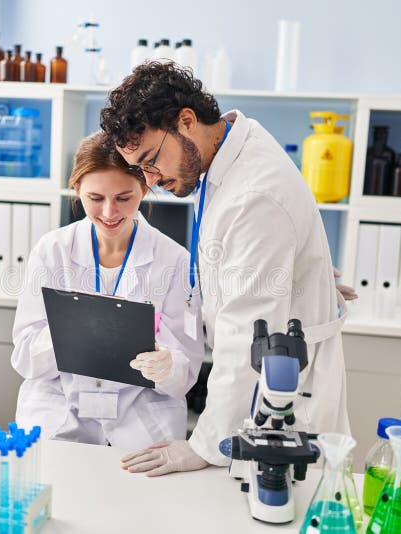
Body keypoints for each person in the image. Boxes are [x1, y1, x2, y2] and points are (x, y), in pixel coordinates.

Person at [100, 61, 351, 476]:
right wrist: (303, 274)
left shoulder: (253, 194)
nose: (152, 179)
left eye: (152, 160)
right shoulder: (231, 150)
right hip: (269, 372)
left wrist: (203, 445)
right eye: (141, 169)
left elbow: (244, 335)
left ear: (186, 120)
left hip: (282, 389)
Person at [10, 132, 204, 449]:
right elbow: (24, 358)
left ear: (144, 188)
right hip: (60, 415)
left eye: (124, 198)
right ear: (77, 189)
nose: (110, 212)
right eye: (95, 198)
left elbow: (186, 371)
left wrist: (167, 366)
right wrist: (71, 328)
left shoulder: (175, 260)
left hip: (141, 424)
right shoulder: (52, 251)